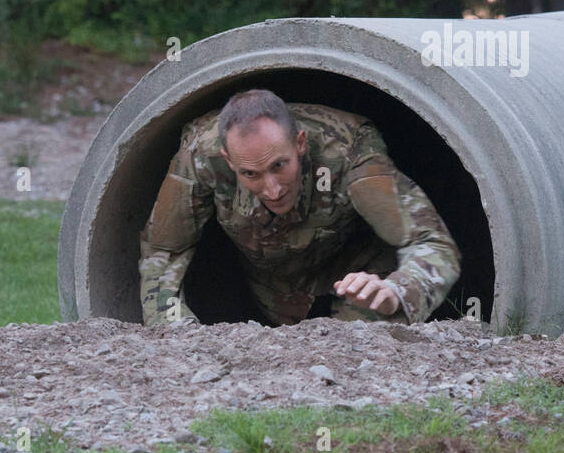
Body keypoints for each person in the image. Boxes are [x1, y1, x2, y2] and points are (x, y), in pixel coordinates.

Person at [138, 88, 461, 328]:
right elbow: (164, 251)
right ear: (227, 160)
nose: (273, 189)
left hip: (356, 277)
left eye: (280, 165)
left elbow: (431, 242)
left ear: (301, 144)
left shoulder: (349, 152)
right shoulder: (199, 155)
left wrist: (396, 291)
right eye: (250, 174)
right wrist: (174, 331)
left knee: (356, 349)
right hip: (263, 286)